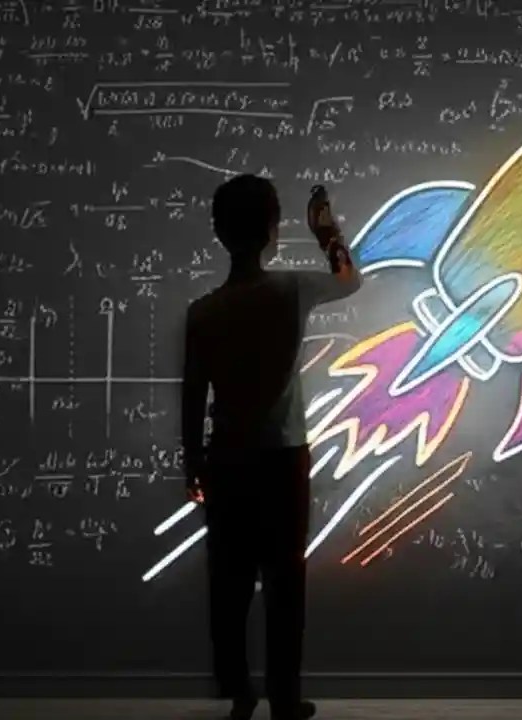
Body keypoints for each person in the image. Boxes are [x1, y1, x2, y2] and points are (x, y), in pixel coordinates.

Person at [181, 174, 362, 720]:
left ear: (217, 231)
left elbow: (194, 395)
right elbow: (349, 281)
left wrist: (193, 463)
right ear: (272, 230)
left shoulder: (204, 312)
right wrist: (326, 231)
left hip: (227, 460)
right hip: (283, 457)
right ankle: (284, 695)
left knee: (229, 582)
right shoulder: (290, 290)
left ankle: (239, 692)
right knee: (285, 579)